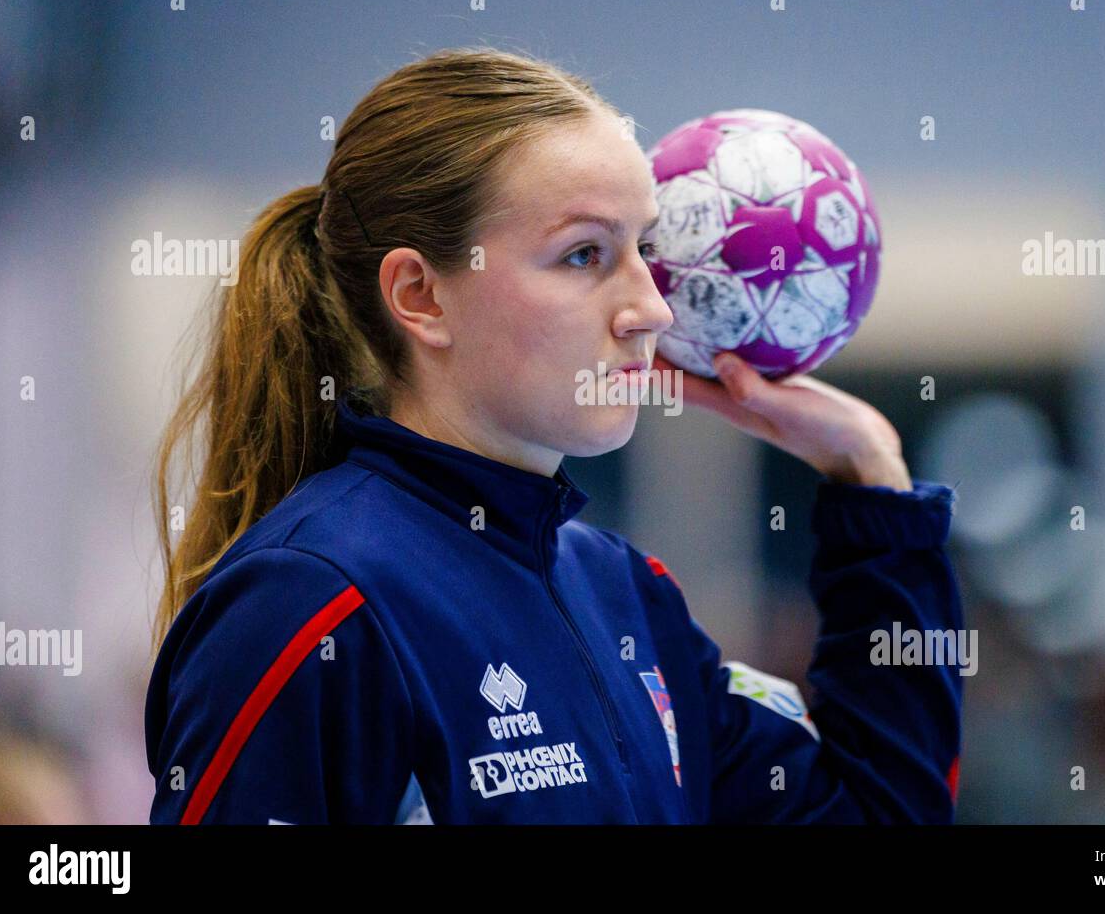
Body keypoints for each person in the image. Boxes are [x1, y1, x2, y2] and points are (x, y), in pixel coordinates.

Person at [145, 46, 962, 824]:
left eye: (644, 250)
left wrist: (872, 482)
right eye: (583, 256)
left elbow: (881, 811)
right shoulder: (314, 600)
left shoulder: (624, 595)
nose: (652, 309)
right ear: (421, 296)